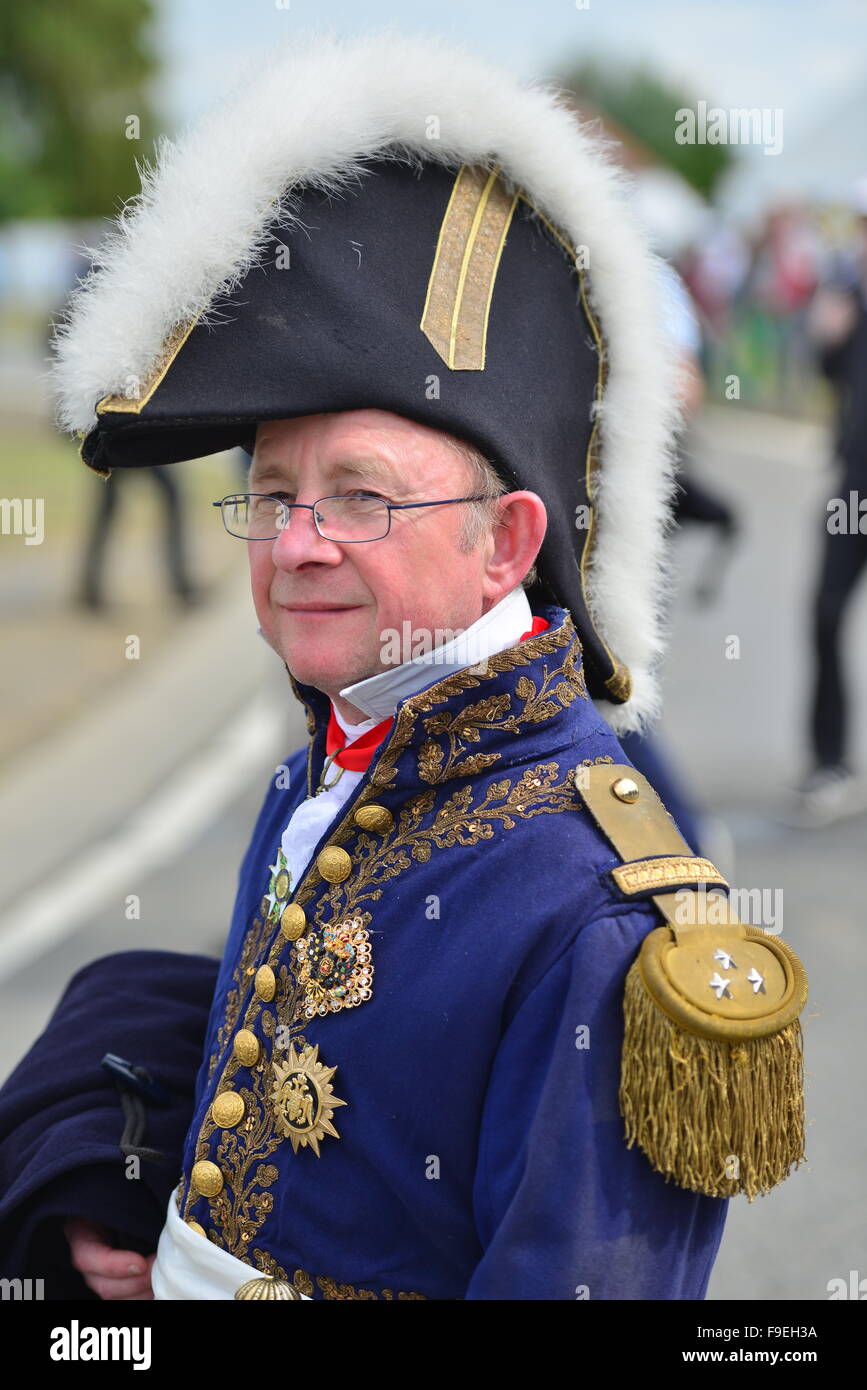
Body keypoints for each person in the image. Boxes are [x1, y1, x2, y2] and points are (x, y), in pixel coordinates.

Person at [3, 30, 808, 1301]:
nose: (302, 542)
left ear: (507, 542)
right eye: (273, 494)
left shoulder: (599, 912)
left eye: (363, 497)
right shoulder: (339, 752)